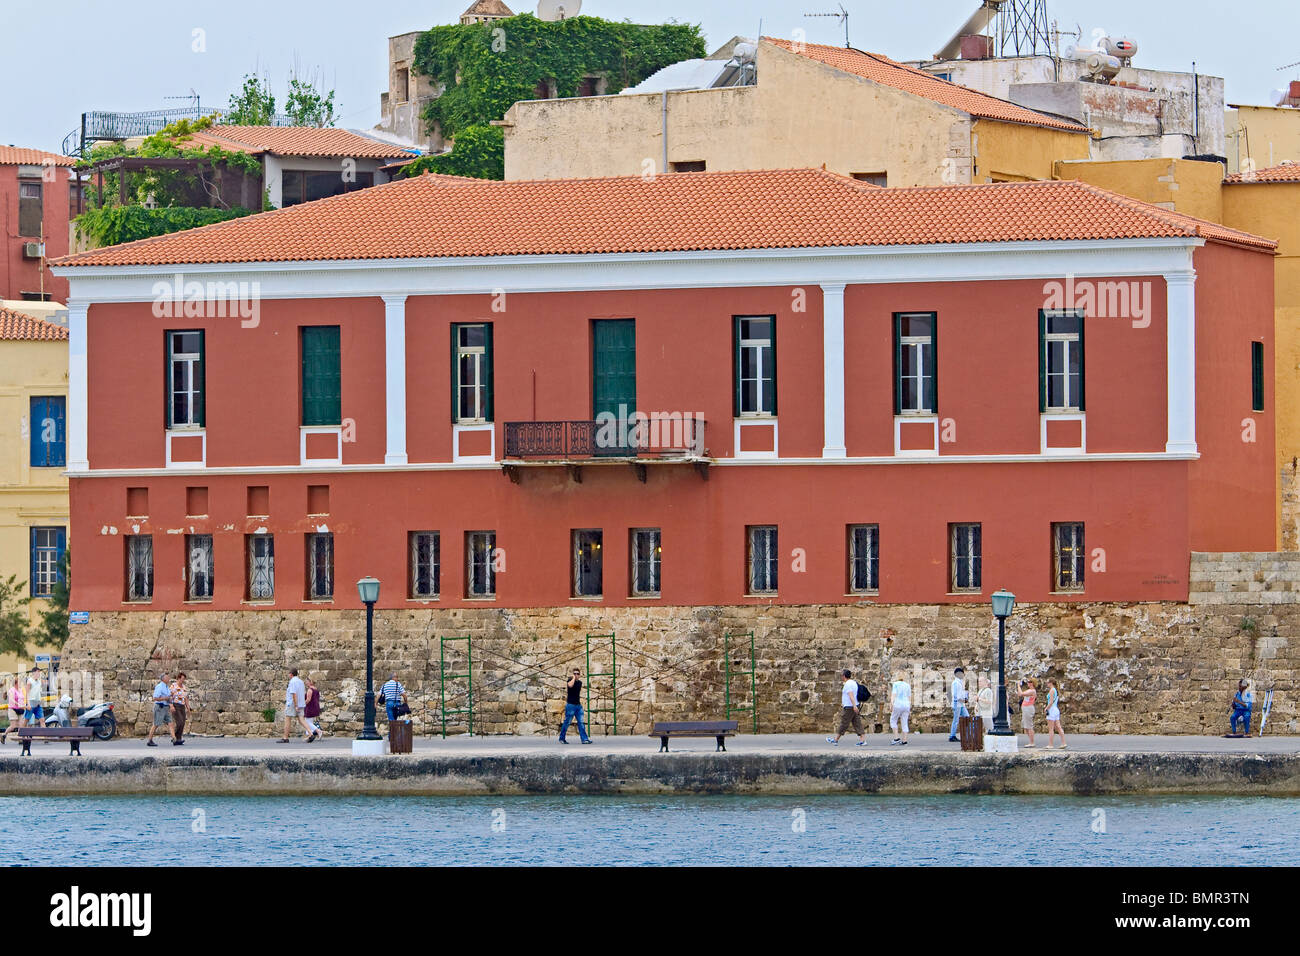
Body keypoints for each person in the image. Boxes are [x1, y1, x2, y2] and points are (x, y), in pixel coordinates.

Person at [827, 669, 866, 746]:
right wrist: (856, 706)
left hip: (850, 707)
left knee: (844, 723)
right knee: (857, 723)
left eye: (842, 675)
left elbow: (851, 695)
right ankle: (863, 740)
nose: (841, 677)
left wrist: (854, 706)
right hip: (855, 705)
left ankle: (835, 740)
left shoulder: (848, 684)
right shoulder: (854, 682)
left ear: (844, 676)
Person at [559, 668, 591, 744]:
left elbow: (574, 687)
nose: (576, 675)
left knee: (581, 722)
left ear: (579, 675)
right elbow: (570, 685)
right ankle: (562, 738)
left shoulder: (579, 683)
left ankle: (584, 739)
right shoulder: (569, 681)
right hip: (570, 705)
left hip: (578, 706)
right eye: (574, 673)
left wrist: (574, 678)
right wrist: (573, 678)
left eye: (577, 674)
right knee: (567, 722)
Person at [281, 668, 312, 742]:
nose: (288, 675)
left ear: (291, 674)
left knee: (288, 719)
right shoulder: (301, 682)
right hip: (301, 703)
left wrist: (295, 705)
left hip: (293, 703)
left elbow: (294, 694)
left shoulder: (292, 682)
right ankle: (311, 733)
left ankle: (285, 738)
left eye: (289, 674)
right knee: (301, 719)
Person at [146, 673, 173, 746]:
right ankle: (150, 740)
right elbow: (155, 698)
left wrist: (170, 701)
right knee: (156, 724)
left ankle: (174, 739)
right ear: (163, 679)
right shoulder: (159, 686)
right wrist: (165, 698)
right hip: (160, 707)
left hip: (166, 707)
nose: (168, 679)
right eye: (167, 677)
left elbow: (168, 697)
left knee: (170, 722)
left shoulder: (167, 687)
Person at [889, 672, 911, 745]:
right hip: (906, 704)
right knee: (904, 722)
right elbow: (909, 697)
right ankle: (904, 740)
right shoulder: (907, 685)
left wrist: (891, 704)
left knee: (893, 720)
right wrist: (909, 706)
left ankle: (896, 738)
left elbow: (894, 695)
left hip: (898, 704)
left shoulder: (895, 684)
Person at [2, 676, 26, 744]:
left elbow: (23, 698)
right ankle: (4, 735)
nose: (20, 683)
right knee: (13, 726)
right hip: (12, 709)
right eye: (19, 682)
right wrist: (18, 704)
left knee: (21, 725)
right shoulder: (11, 690)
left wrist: (24, 705)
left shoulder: (20, 690)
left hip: (20, 709)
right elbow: (12, 700)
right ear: (16, 683)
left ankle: (20, 739)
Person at [948, 667, 969, 742]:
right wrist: (963, 700)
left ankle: (967, 734)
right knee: (956, 720)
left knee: (967, 717)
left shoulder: (960, 682)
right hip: (957, 704)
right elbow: (955, 695)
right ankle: (952, 736)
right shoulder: (955, 683)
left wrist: (964, 698)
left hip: (961, 704)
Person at [1045, 678, 1066, 749]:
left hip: (1051, 709)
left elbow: (1050, 702)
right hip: (1056, 709)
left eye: (1048, 682)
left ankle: (1050, 744)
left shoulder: (1052, 690)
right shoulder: (1055, 690)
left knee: (1051, 728)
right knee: (1058, 727)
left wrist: (1046, 708)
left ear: (1051, 683)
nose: (1047, 684)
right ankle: (1063, 743)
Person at [169, 673, 189, 745]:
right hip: (176, 705)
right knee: (179, 722)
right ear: (179, 678)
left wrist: (188, 707)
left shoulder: (184, 687)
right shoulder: (173, 686)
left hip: (182, 706)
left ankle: (179, 738)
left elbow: (185, 697)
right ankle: (174, 737)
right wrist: (171, 705)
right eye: (182, 679)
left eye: (184, 679)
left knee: (183, 722)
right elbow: (170, 696)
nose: (183, 680)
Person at [303, 676, 322, 742]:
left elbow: (308, 700)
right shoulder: (316, 689)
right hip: (315, 707)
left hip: (310, 707)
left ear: (310, 682)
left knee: (307, 722)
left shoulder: (310, 690)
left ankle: (318, 731)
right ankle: (309, 736)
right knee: (310, 722)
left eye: (307, 681)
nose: (306, 683)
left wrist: (302, 705)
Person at [1019, 678, 1037, 748]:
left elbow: (1021, 694)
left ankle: (1032, 742)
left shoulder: (1032, 691)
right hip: (1025, 708)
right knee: (1026, 726)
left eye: (1029, 682)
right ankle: (1030, 741)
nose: (1028, 683)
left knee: (1029, 726)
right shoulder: (1029, 690)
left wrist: (1018, 686)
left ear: (1032, 683)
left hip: (1028, 708)